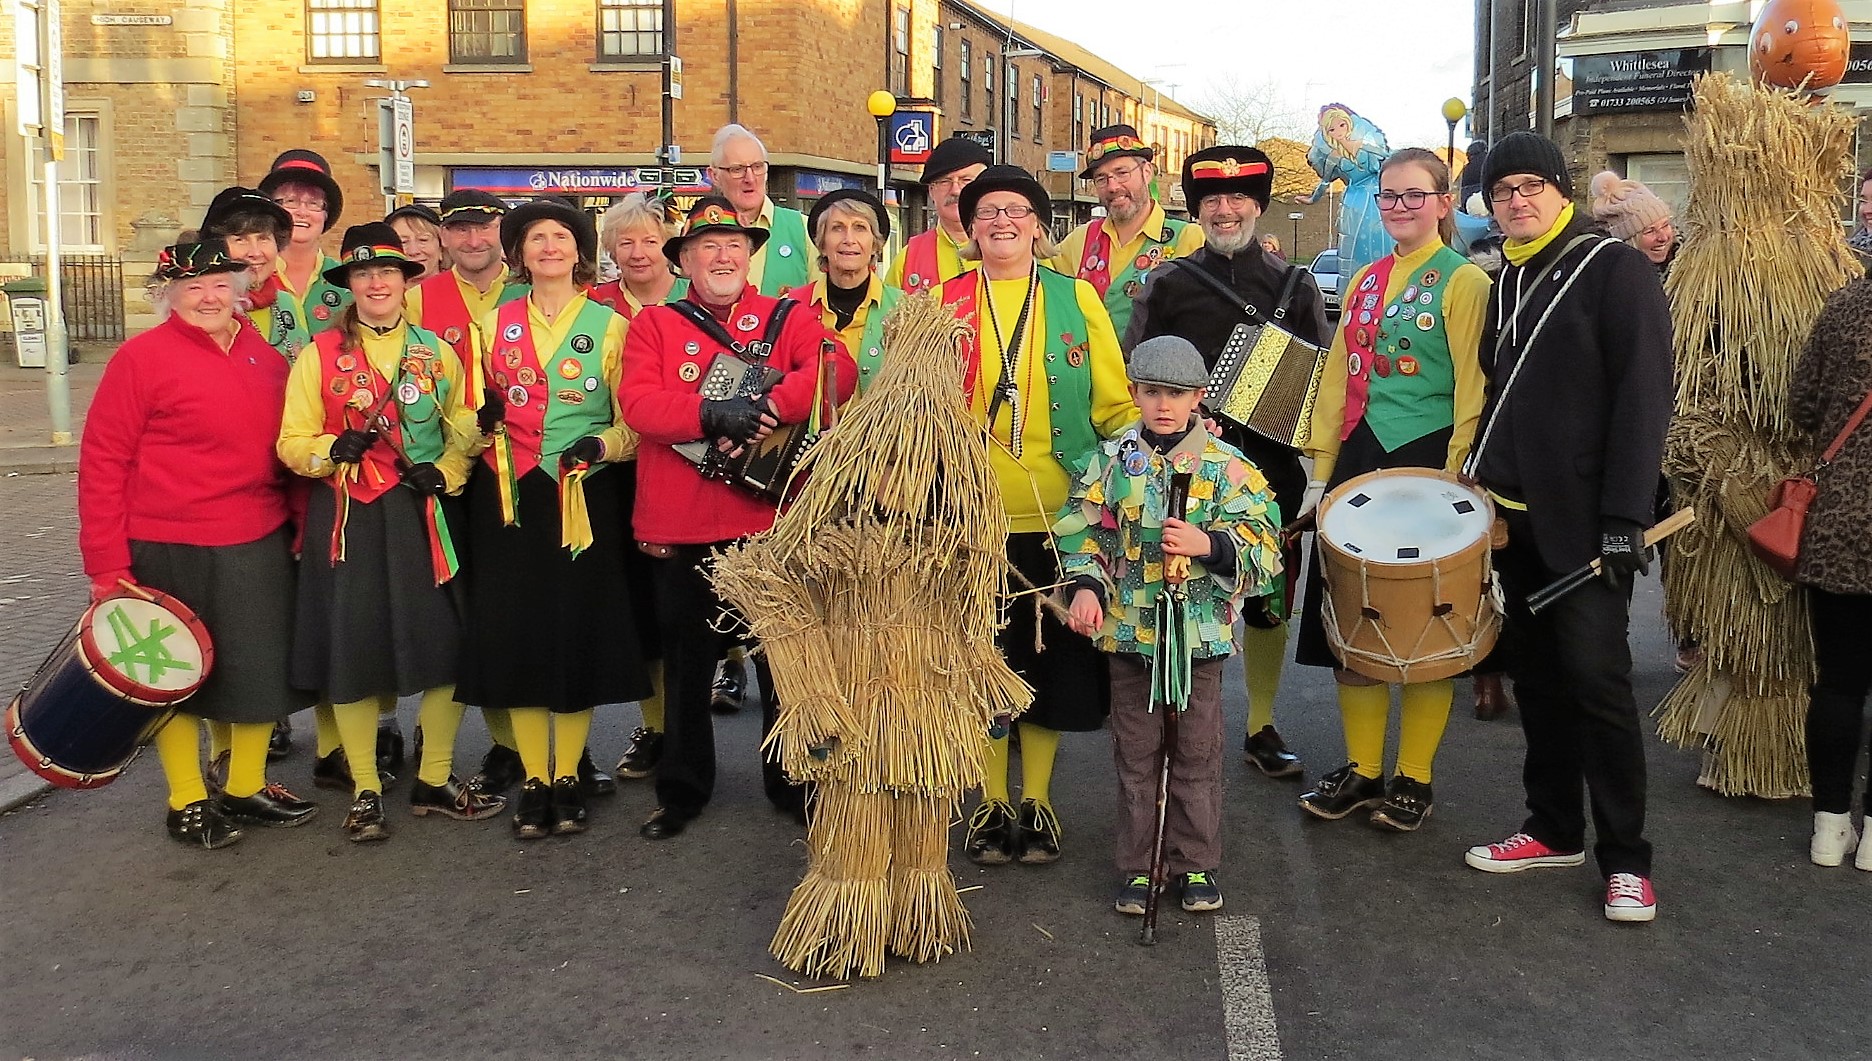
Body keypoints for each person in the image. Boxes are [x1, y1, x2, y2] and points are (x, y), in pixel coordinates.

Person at [1459, 131, 1673, 924]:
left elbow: (1645, 400)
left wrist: (1625, 518)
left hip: (1586, 525)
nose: (1516, 199)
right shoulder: (1503, 279)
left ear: (1561, 190)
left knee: (1599, 686)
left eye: (1529, 185)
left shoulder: (1612, 269)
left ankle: (1627, 859)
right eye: (1501, 189)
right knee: (1540, 683)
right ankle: (1551, 826)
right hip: (1515, 521)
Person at [619, 195, 856, 839]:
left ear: (750, 254)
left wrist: (766, 406)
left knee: (784, 659)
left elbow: (837, 370)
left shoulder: (789, 315)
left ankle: (791, 782)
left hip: (767, 519)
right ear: (686, 259)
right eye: (707, 247)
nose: (722, 256)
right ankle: (683, 788)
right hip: (685, 520)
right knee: (687, 661)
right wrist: (707, 414)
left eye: (733, 245)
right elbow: (639, 403)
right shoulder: (655, 325)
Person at [78, 240, 317, 848]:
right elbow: (104, 462)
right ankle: (185, 797)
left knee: (260, 669)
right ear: (168, 296)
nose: (209, 297)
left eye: (219, 284)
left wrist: (298, 525)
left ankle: (244, 785)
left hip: (256, 535)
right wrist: (107, 564)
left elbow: (286, 450)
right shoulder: (138, 359)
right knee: (173, 676)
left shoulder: (266, 356)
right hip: (166, 541)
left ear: (239, 289)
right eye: (192, 287)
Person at [277, 223, 504, 841]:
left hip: (418, 513)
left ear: (407, 282)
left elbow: (463, 427)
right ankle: (367, 789)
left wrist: (450, 466)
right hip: (347, 517)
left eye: (388, 272)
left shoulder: (439, 350)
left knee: (446, 648)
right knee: (352, 651)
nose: (376, 283)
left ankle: (433, 776)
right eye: (363, 273)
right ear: (348, 284)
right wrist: (329, 445)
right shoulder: (317, 356)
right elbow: (290, 442)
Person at [941, 165, 1135, 865]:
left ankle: (1039, 799)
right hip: (968, 516)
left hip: (1063, 514)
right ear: (968, 223)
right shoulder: (940, 302)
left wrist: (1159, 453)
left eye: (1016, 210)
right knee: (982, 662)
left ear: (1037, 224)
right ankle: (991, 800)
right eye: (987, 209)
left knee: (1048, 665)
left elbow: (1114, 406)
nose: (1001, 221)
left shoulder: (1076, 298)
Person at [1292, 148, 1490, 831]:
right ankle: (1363, 767)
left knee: (1426, 617)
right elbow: (1333, 380)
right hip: (1358, 453)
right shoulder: (1366, 279)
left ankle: (1415, 775)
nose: (1400, 206)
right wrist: (1320, 473)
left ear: (1443, 201)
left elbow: (1472, 384)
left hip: (1428, 460)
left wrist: (1461, 473)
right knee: (1353, 616)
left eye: (1415, 195)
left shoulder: (1464, 282)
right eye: (1390, 196)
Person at [1055, 335, 1283, 915]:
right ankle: (1139, 867)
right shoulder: (1112, 461)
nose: (1163, 404)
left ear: (1198, 398)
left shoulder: (1228, 469)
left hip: (1197, 642)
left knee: (1196, 754)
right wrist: (1086, 587)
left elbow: (1267, 548)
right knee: (1136, 755)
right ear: (1133, 392)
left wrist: (1212, 545)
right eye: (1152, 391)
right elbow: (1085, 532)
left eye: (1176, 394)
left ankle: (1196, 863)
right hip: (1131, 636)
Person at [1125, 145, 1332, 782]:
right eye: (1212, 197)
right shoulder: (1167, 283)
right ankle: (1174, 724)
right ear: (1197, 207)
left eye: (1239, 196)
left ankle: (1260, 724)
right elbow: (1135, 371)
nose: (1225, 207)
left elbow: (1318, 383)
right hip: (1178, 470)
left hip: (1268, 474)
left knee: (1268, 599)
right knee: (1172, 595)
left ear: (1259, 205)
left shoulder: (1296, 286)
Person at [457, 196, 652, 839]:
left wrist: (604, 446)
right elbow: (462, 417)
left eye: (560, 237)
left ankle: (567, 773)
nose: (549, 247)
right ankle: (534, 778)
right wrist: (476, 424)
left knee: (575, 632)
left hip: (582, 494)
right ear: (518, 252)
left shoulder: (611, 325)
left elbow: (631, 419)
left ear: (578, 250)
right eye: (536, 237)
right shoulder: (490, 325)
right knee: (518, 633)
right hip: (509, 497)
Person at [405, 189, 537, 791]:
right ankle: (503, 743)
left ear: (499, 229)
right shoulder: (416, 299)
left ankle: (546, 748)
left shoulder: (534, 284)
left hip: (530, 473)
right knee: (468, 616)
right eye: (459, 231)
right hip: (447, 475)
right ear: (442, 238)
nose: (472, 240)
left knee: (519, 611)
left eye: (482, 228)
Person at [588, 191, 685, 784]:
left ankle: (692, 720)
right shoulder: (593, 307)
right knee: (642, 606)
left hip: (688, 465)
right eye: (626, 242)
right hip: (614, 470)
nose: (639, 251)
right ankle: (656, 726)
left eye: (650, 239)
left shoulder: (694, 300)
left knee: (688, 607)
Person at [1789, 277, 1872, 870]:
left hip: (1843, 522)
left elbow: (1803, 405)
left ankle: (1829, 826)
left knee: (1839, 681)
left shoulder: (1845, 304)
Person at [1051, 125, 1205, 339]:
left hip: (1150, 370)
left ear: (1147, 172)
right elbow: (1036, 282)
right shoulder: (1081, 238)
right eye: (1101, 178)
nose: (1112, 187)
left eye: (1122, 173)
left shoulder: (1187, 238)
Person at [789, 188, 903, 395]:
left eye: (860, 228)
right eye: (837, 228)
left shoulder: (904, 309)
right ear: (822, 244)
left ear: (875, 245)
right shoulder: (791, 306)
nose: (849, 239)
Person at [257, 149, 352, 359]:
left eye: (313, 203)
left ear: (326, 214)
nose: (302, 212)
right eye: (290, 201)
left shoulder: (347, 281)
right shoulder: (250, 279)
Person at [707, 124, 815, 295]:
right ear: (714, 176)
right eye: (737, 170)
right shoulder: (699, 234)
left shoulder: (803, 229)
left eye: (757, 167)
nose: (750, 178)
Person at [884, 136, 991, 293]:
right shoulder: (909, 259)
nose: (955, 190)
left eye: (966, 180)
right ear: (931, 192)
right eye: (944, 182)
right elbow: (887, 314)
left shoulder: (1013, 248)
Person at [590, 192, 688, 320]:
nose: (637, 254)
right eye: (626, 243)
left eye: (649, 242)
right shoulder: (595, 302)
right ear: (613, 250)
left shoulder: (697, 296)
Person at [1589, 171, 1677, 277]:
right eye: (1650, 231)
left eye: (1665, 225)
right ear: (1627, 240)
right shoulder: (1612, 279)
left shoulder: (1688, 266)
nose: (1663, 238)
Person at [386, 203, 445, 283]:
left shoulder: (462, 292)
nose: (413, 251)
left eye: (423, 240)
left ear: (441, 247)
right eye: (403, 242)